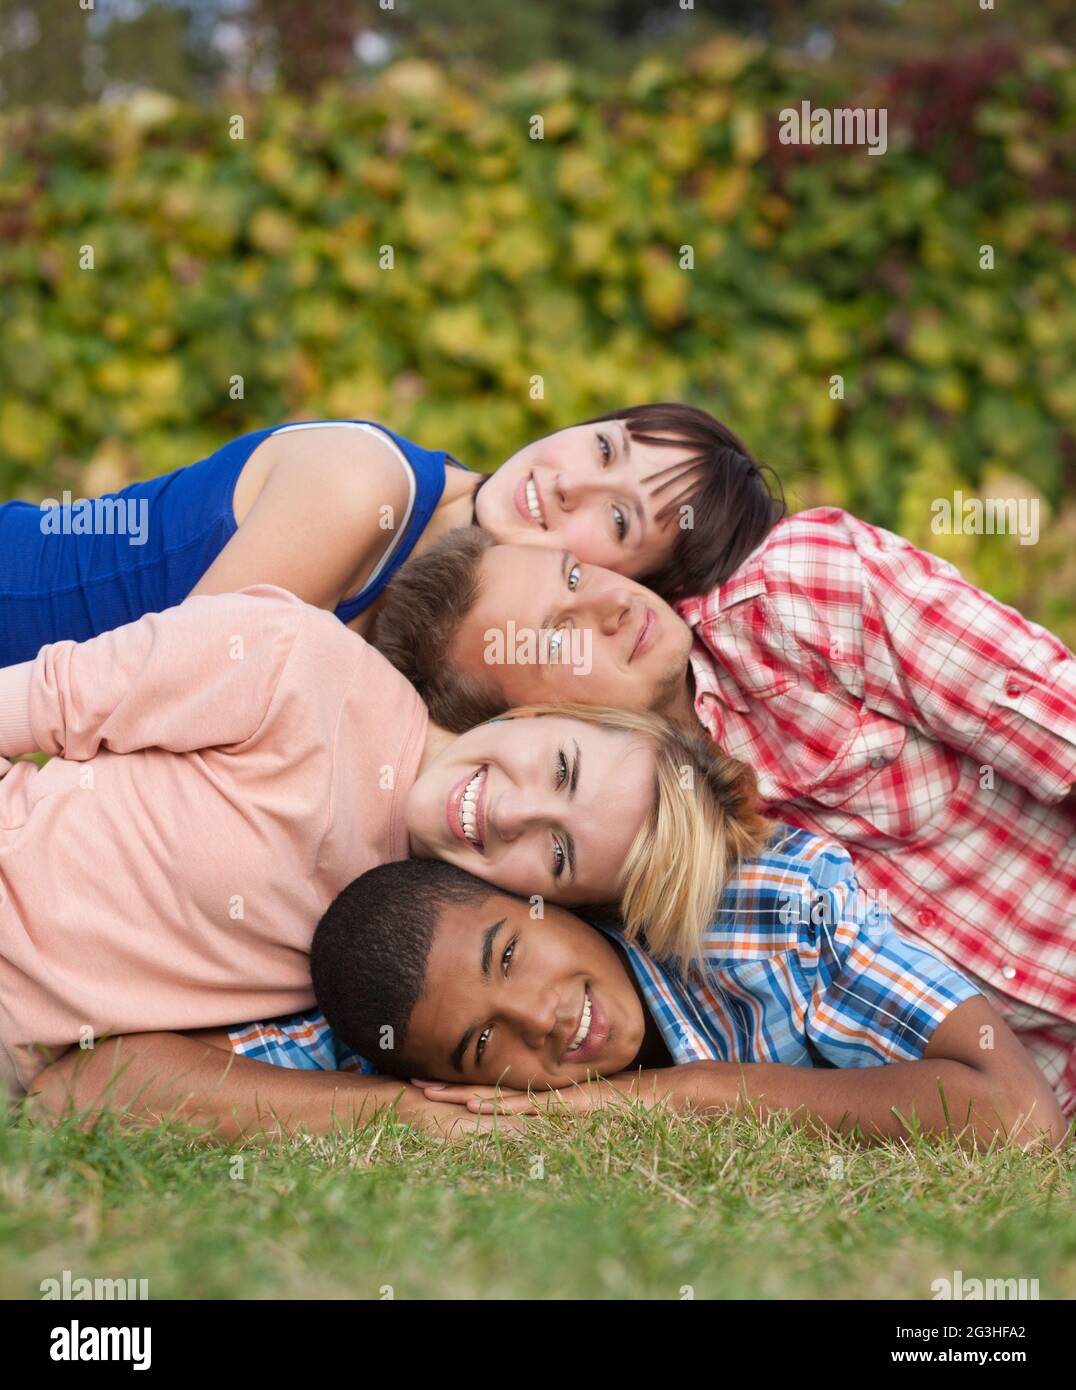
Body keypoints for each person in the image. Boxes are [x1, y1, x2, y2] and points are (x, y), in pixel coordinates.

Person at [336, 520, 1076, 1113]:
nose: (613, 602)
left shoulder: (799, 602)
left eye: (572, 574)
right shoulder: (566, 882)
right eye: (551, 640)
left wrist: (681, 1095)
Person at [0, 583, 758, 1095]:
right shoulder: (296, 663)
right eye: (561, 770)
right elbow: (34, 703)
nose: (513, 810)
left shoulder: (418, 961)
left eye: (558, 856)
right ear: (541, 715)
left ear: (548, 904)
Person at [0, 404, 782, 664]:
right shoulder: (363, 487)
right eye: (606, 447)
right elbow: (155, 701)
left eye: (619, 520)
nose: (572, 481)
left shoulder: (465, 631)